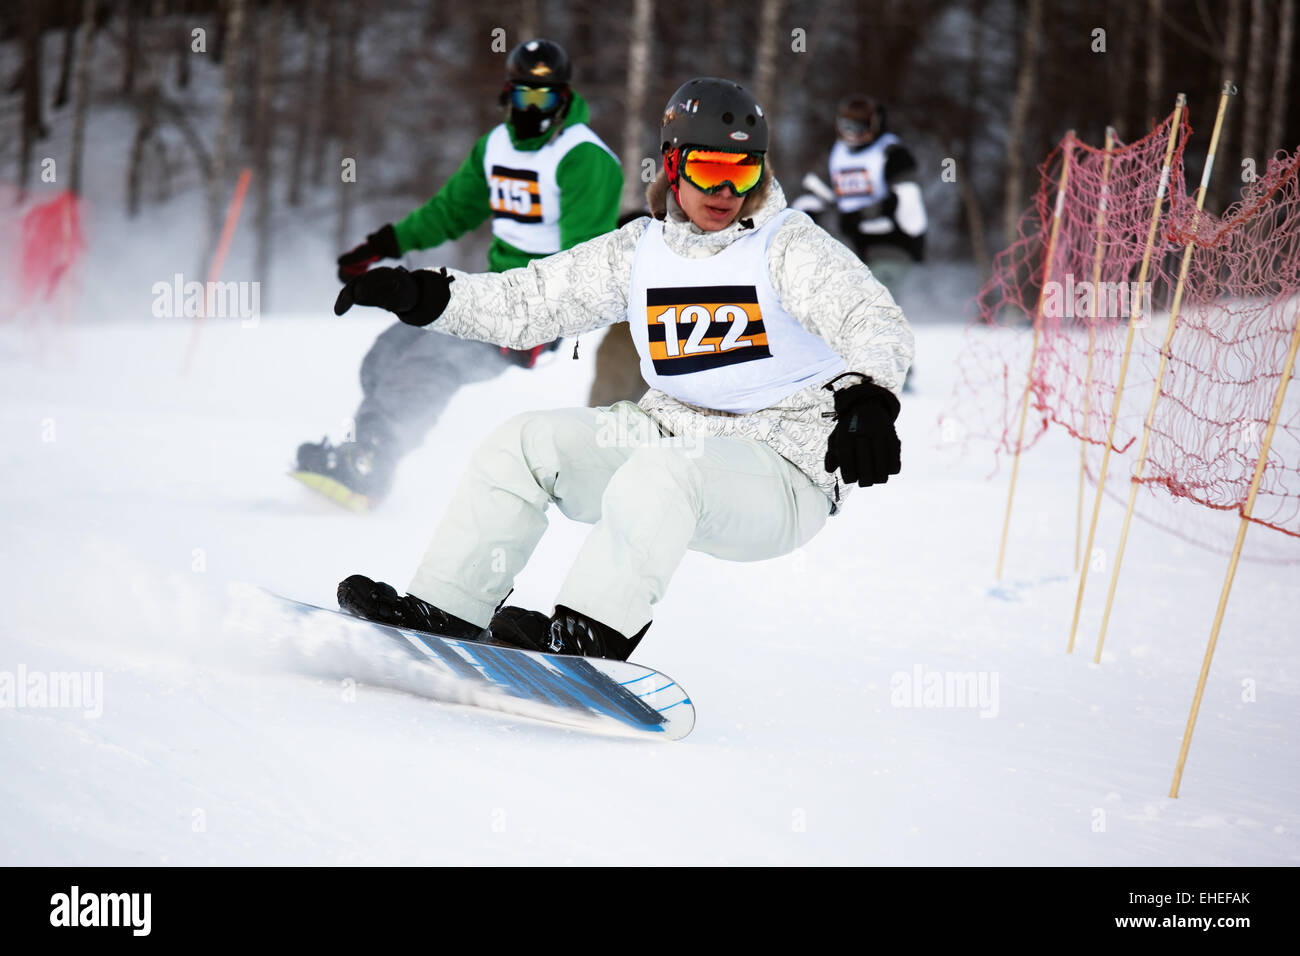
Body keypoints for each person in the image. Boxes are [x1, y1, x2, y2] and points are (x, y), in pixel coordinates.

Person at [328, 77, 914, 660]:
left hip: (785, 472)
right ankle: (447, 606)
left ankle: (592, 635)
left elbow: (873, 320)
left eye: (744, 170)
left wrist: (869, 400)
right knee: (524, 443)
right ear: (674, 163)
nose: (727, 189)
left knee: (667, 469)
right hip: (670, 438)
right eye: (710, 170)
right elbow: (529, 302)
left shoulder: (788, 246)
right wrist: (422, 294)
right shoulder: (640, 250)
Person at [293, 38, 622, 511]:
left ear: (563, 99)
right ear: (507, 94)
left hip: (533, 313)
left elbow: (585, 257)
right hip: (486, 292)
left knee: (432, 362)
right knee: (388, 353)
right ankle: (365, 448)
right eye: (521, 96)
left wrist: (545, 325)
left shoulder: (584, 158)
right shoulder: (496, 146)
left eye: (542, 98)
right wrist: (380, 246)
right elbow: (450, 211)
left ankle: (373, 461)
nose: (530, 108)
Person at [827, 94, 927, 300]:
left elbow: (908, 203)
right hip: (855, 246)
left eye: (860, 127)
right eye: (848, 126)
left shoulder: (894, 154)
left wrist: (866, 215)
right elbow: (819, 193)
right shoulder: (838, 154)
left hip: (892, 244)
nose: (853, 134)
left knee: (876, 301)